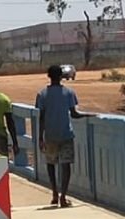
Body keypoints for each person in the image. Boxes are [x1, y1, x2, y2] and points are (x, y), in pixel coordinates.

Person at [35, 64, 88, 207]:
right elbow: (74, 114)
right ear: (61, 76)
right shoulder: (69, 93)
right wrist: (88, 115)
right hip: (66, 134)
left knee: (51, 164)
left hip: (50, 135)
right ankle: (63, 196)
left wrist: (40, 137)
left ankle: (54, 193)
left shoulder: (42, 94)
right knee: (66, 165)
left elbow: (41, 117)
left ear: (48, 76)